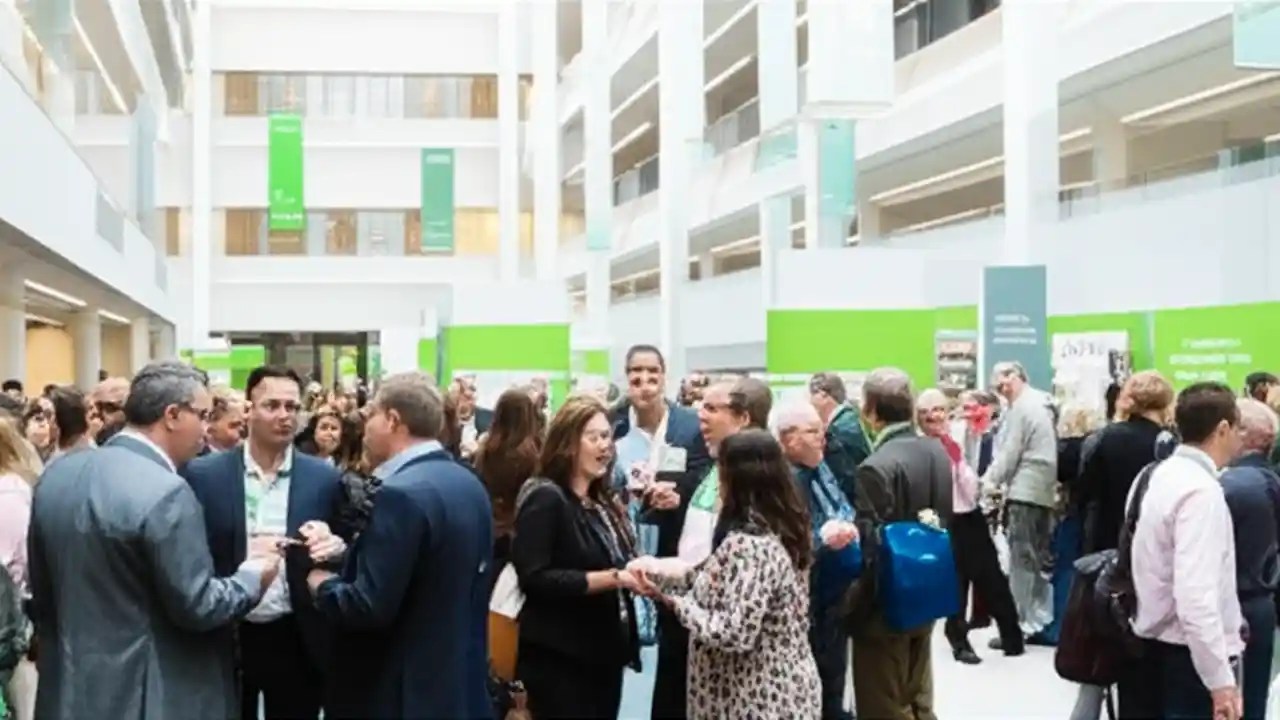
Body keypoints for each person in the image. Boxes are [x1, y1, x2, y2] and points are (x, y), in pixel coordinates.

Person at [26, 361, 280, 720]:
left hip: (67, 692)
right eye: (203, 415)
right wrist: (252, 577)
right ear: (173, 415)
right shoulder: (167, 492)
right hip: (151, 696)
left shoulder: (56, 476)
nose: (207, 429)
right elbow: (199, 606)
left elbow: (43, 595)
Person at [307, 372, 491, 720]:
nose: (365, 427)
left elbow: (368, 605)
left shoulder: (400, 495)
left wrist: (321, 584)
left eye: (371, 414)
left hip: (399, 695)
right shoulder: (469, 484)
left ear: (392, 420)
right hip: (455, 689)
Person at [182, 366, 348, 720]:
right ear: (249, 409)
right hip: (227, 631)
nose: (284, 416)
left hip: (296, 631)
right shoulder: (204, 475)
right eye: (272, 405)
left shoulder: (323, 477)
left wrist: (335, 546)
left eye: (292, 406)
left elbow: (343, 544)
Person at [634, 430, 821, 719]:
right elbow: (721, 582)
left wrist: (673, 601)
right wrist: (661, 573)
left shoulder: (749, 544)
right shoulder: (782, 528)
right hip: (778, 688)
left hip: (754, 697)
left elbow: (733, 632)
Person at [512, 396, 641, 718]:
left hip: (601, 656)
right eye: (593, 436)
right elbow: (535, 577)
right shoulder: (546, 497)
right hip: (560, 660)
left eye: (607, 436)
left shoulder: (600, 501)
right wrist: (613, 578)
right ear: (568, 443)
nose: (604, 446)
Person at [1128, 382, 1246, 720]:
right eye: (1238, 428)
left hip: (1151, 642)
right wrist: (1220, 681)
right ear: (1223, 429)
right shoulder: (1201, 493)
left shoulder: (1156, 475)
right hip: (1189, 656)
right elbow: (1195, 597)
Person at [847, 368, 952, 720]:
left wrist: (852, 609)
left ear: (870, 409)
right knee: (919, 693)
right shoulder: (936, 451)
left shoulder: (874, 466)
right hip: (930, 589)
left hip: (886, 604)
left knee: (884, 701)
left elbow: (871, 552)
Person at [772, 401, 858, 719]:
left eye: (821, 429)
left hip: (834, 593)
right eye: (812, 431)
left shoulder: (819, 467)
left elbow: (843, 504)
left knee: (834, 672)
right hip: (810, 599)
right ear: (786, 438)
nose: (822, 437)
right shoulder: (784, 483)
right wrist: (824, 539)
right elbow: (788, 547)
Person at [982, 361, 1058, 647]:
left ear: (1020, 376)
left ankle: (1017, 626)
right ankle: (1037, 621)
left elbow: (1009, 453)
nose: (1002, 385)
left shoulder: (1022, 408)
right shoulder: (1043, 404)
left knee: (1020, 561)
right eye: (996, 381)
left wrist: (986, 483)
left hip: (1025, 491)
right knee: (1035, 561)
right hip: (1042, 491)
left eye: (1006, 377)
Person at [1219, 399, 1280, 720]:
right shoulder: (1268, 482)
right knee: (1255, 697)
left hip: (1235, 604)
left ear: (1243, 434)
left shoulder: (1231, 486)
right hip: (1262, 602)